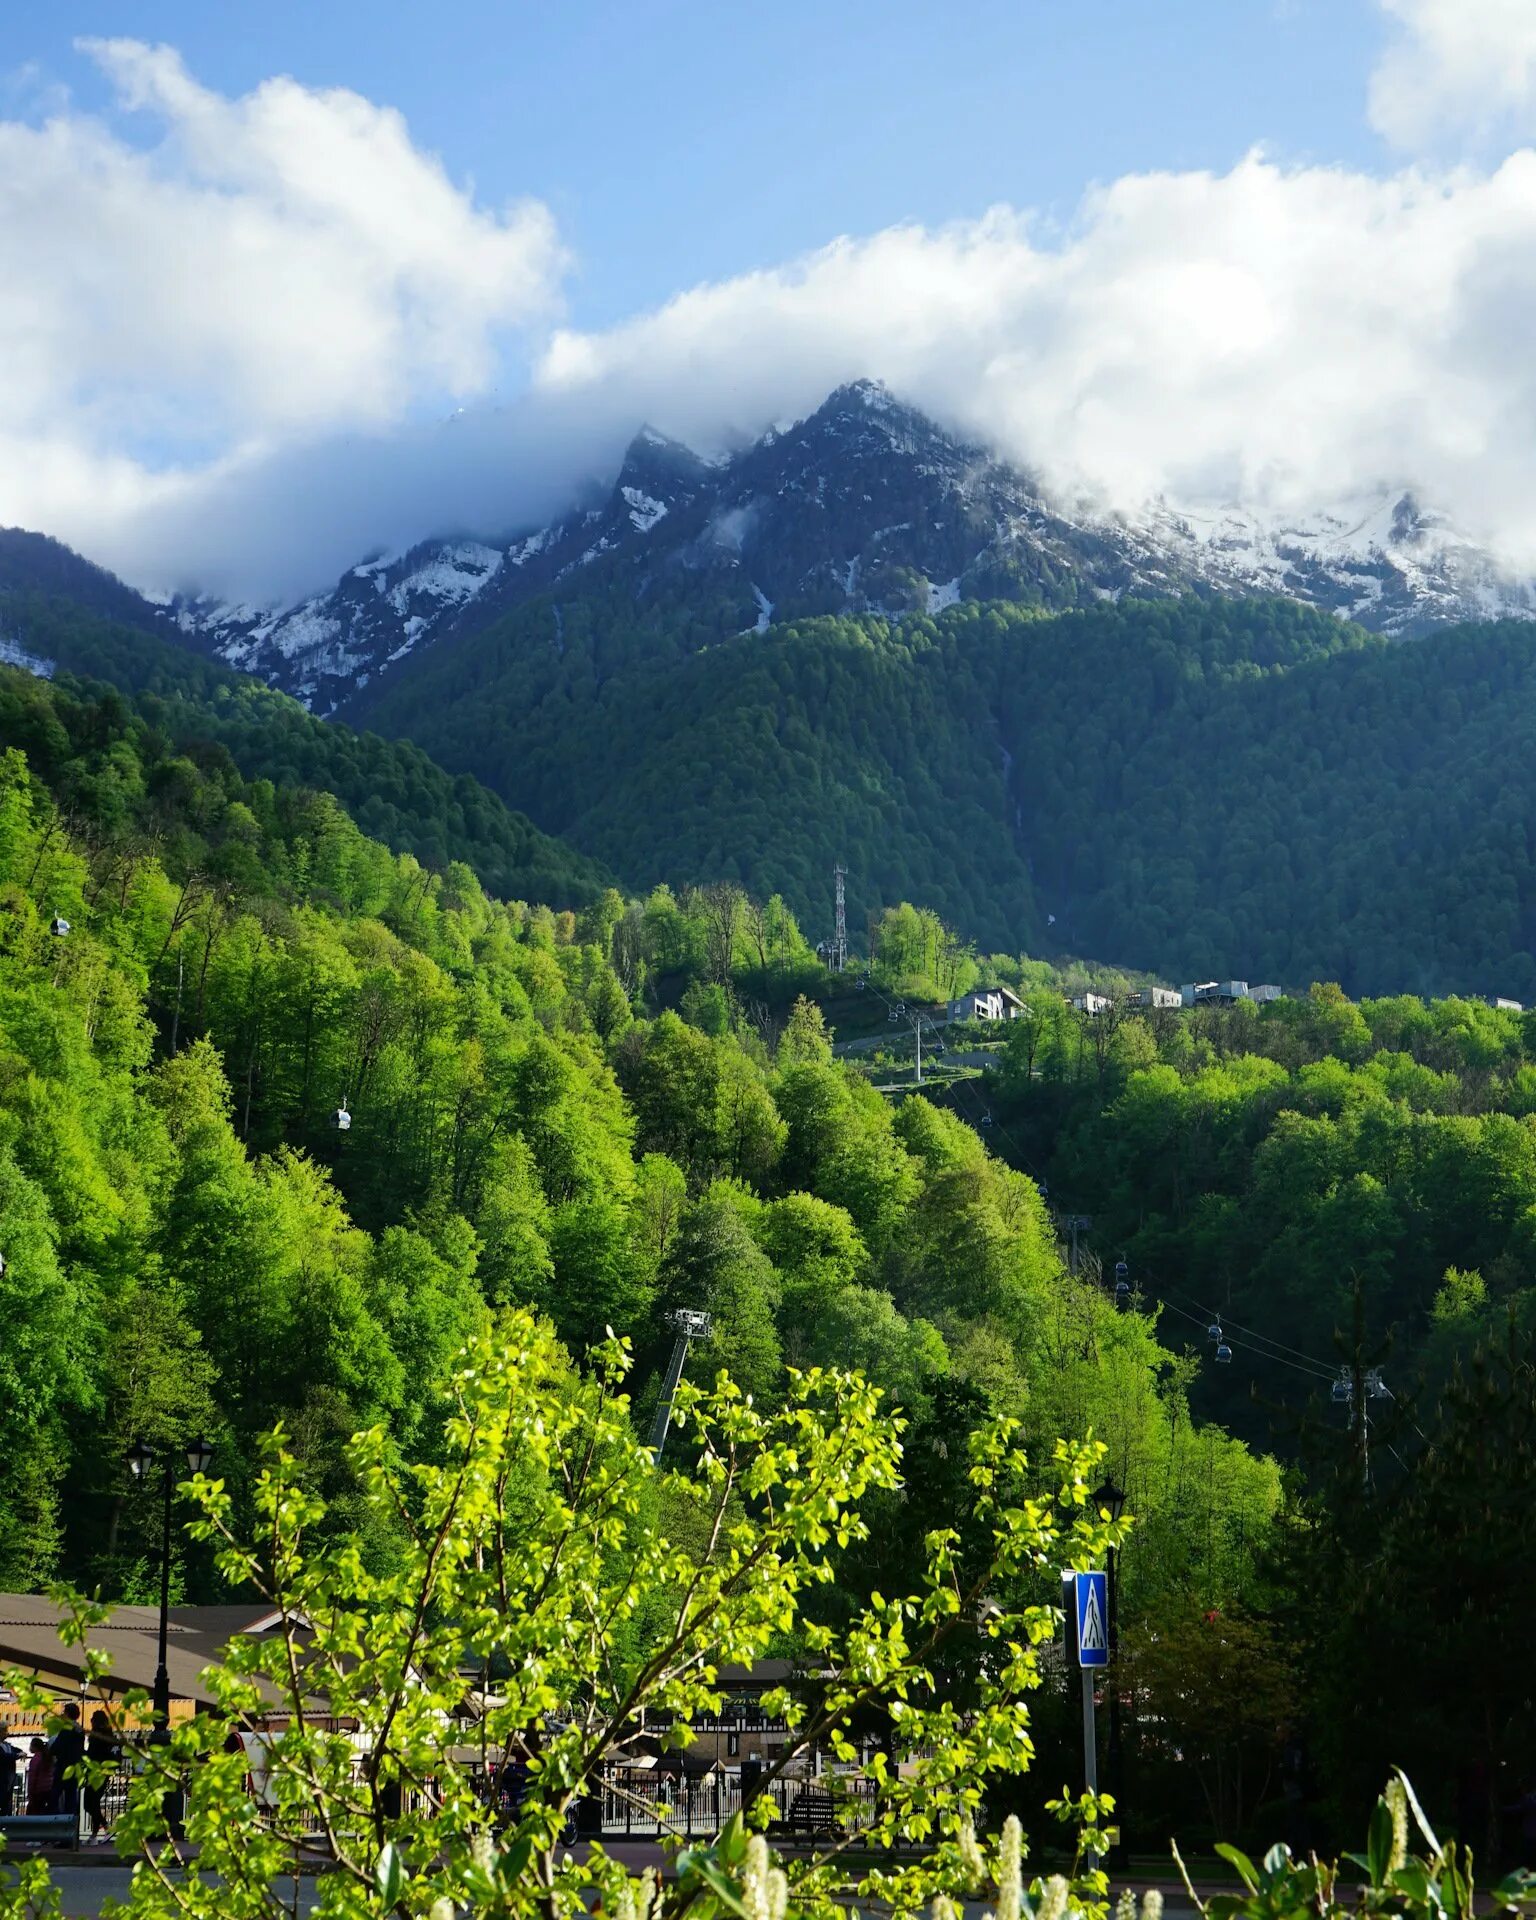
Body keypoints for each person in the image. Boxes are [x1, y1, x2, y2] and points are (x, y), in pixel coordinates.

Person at [83, 1710, 119, 1845]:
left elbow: (94, 1753)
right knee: (94, 1803)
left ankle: (104, 1828)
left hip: (96, 1772)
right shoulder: (108, 1735)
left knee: (90, 1803)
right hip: (103, 1772)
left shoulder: (97, 1736)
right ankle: (96, 1833)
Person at [46, 1702, 85, 1822]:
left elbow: (57, 1747)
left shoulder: (67, 1729)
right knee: (71, 1798)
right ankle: (69, 1826)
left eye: (64, 1713)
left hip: (63, 1766)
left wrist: (51, 1751)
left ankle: (53, 1824)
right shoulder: (80, 1730)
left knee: (54, 1796)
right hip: (75, 1767)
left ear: (67, 1714)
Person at [25, 1738, 53, 1816]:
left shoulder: (35, 1759)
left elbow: (32, 1778)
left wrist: (30, 1793)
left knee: (36, 1813)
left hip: (38, 1791)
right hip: (48, 1789)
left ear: (34, 1747)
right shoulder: (47, 1757)